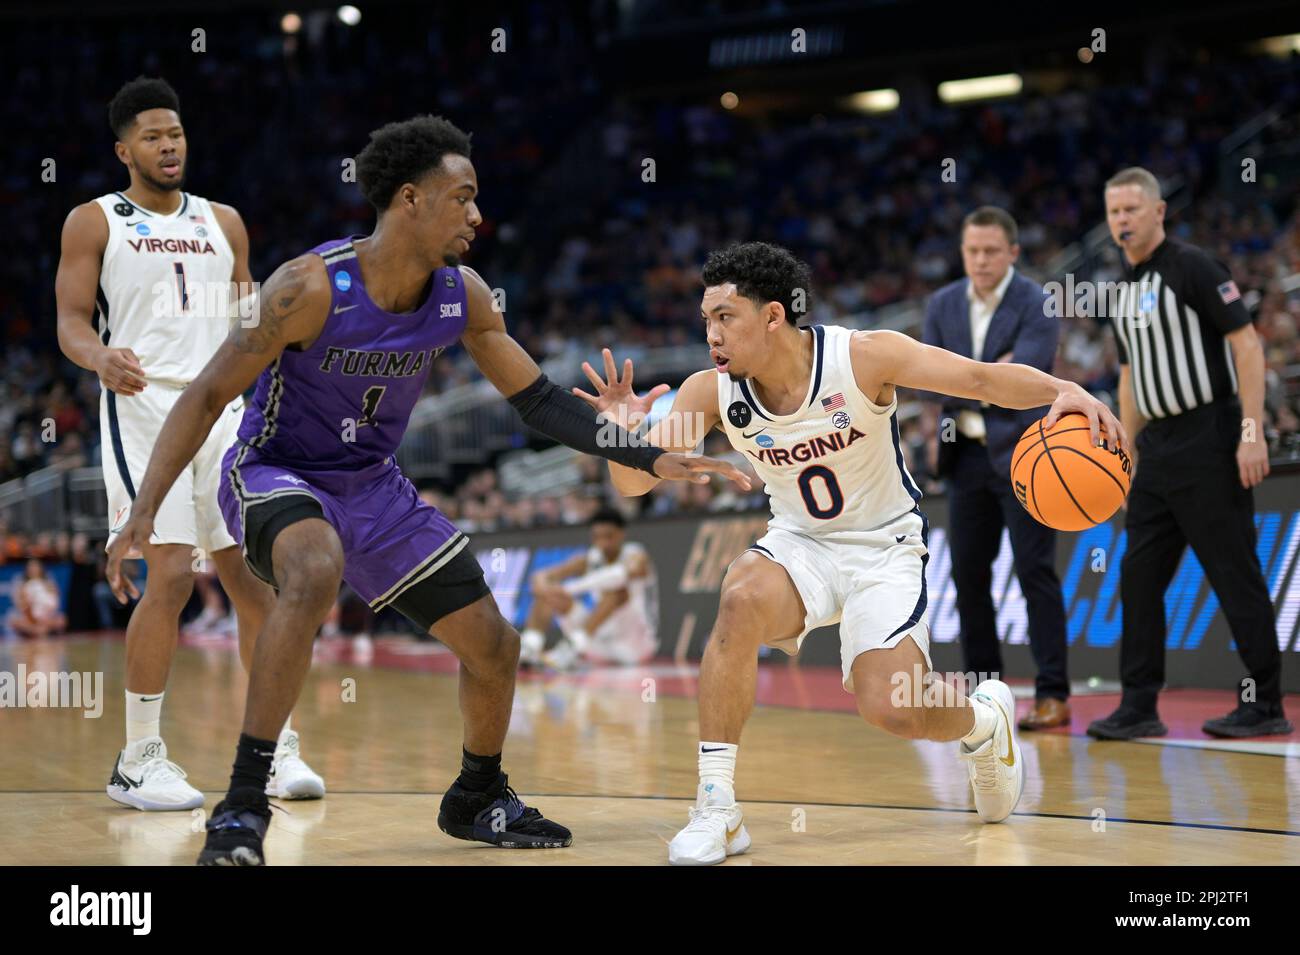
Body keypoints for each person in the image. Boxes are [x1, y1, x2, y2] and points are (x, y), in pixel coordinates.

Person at [105, 114, 748, 865]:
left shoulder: (462, 294)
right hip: (277, 470)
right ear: (409, 199)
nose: (477, 216)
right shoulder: (308, 287)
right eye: (462, 198)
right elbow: (208, 394)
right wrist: (144, 510)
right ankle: (244, 805)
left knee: (496, 645)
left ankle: (478, 792)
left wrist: (645, 451)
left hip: (373, 486)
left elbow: (536, 399)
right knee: (313, 568)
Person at [593, 241, 1124, 865]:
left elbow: (978, 378)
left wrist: (1067, 389)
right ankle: (718, 810)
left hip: (883, 549)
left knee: (894, 707)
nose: (711, 334)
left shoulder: (864, 356)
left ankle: (982, 723)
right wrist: (622, 440)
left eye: (725, 318)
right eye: (706, 319)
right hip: (799, 547)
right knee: (738, 596)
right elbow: (634, 485)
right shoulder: (709, 394)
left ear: (772, 317)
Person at [54, 76, 323, 810]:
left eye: (174, 133)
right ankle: (138, 758)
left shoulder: (223, 220)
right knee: (170, 575)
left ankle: (274, 749)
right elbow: (71, 320)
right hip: (142, 404)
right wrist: (97, 356)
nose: (168, 145)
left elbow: (248, 319)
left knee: (252, 577)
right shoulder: (93, 220)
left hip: (219, 406)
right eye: (151, 136)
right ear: (124, 150)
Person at [1087, 167, 1292, 740]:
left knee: (1234, 571)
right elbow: (1128, 377)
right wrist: (1124, 457)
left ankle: (1264, 701)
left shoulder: (1195, 267)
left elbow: (1247, 345)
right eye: (1114, 211)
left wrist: (1252, 431)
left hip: (1210, 433)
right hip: (1155, 449)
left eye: (1131, 209)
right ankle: (1139, 705)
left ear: (1158, 212)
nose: (1121, 220)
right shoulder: (1119, 290)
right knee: (1138, 576)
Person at [923, 207, 1071, 730]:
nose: (981, 260)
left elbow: (1028, 374)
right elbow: (926, 381)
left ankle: (1053, 694)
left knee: (1036, 573)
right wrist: (990, 377)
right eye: (972, 251)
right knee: (968, 578)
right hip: (964, 460)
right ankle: (987, 696)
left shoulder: (1036, 300)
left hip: (1027, 457)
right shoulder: (942, 303)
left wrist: (971, 379)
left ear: (1012, 252)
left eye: (991, 251)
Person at [520, 507, 659, 668]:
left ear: (621, 534)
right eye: (597, 537)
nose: (603, 543)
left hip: (636, 646)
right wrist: (544, 586)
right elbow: (542, 576)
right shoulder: (590, 558)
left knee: (618, 591)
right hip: (598, 641)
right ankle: (530, 648)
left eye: (608, 536)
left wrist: (569, 588)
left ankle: (572, 647)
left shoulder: (636, 555)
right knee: (551, 595)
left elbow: (618, 575)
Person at [8, 560, 67, 639]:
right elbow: (20, 605)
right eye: (31, 567)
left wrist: (45, 612)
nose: (33, 569)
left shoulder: (49, 584)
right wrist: (28, 607)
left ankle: (37, 631)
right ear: (27, 570)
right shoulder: (22, 585)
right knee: (13, 621)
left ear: (41, 569)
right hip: (29, 618)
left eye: (36, 567)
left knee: (61, 620)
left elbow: (54, 603)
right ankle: (38, 631)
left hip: (46, 618)